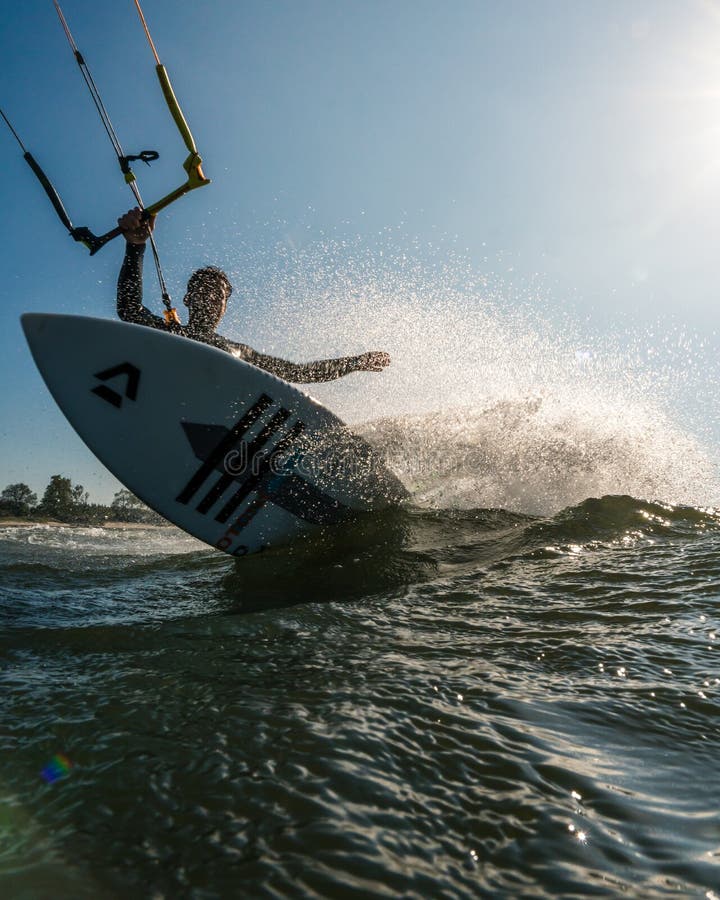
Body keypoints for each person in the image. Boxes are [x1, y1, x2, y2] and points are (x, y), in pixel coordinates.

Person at [116, 207, 391, 383]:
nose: (211, 299)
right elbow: (129, 309)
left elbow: (296, 373)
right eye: (205, 290)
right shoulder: (168, 334)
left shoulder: (240, 353)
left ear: (225, 307)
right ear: (187, 299)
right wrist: (136, 246)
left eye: (219, 296)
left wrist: (354, 362)